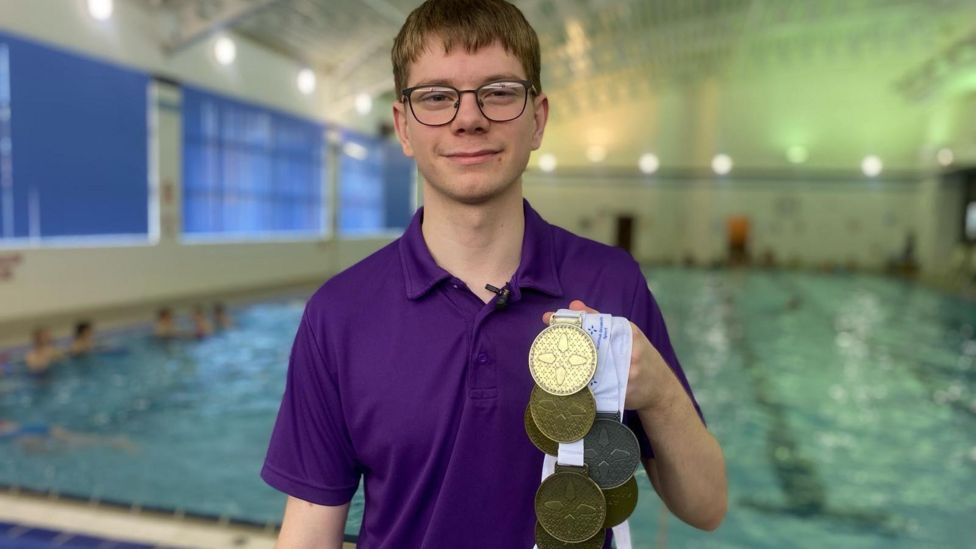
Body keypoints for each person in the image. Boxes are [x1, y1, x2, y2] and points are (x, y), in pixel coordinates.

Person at [262, 1, 727, 547]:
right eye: (436, 97)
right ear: (403, 127)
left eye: (499, 91)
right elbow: (310, 532)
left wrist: (659, 391)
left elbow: (706, 506)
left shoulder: (611, 283)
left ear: (539, 118)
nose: (468, 117)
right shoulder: (339, 314)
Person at [0, 418, 138, 454]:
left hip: (28, 434)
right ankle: (114, 441)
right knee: (78, 439)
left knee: (71, 445)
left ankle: (114, 442)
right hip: (36, 428)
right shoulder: (6, 423)